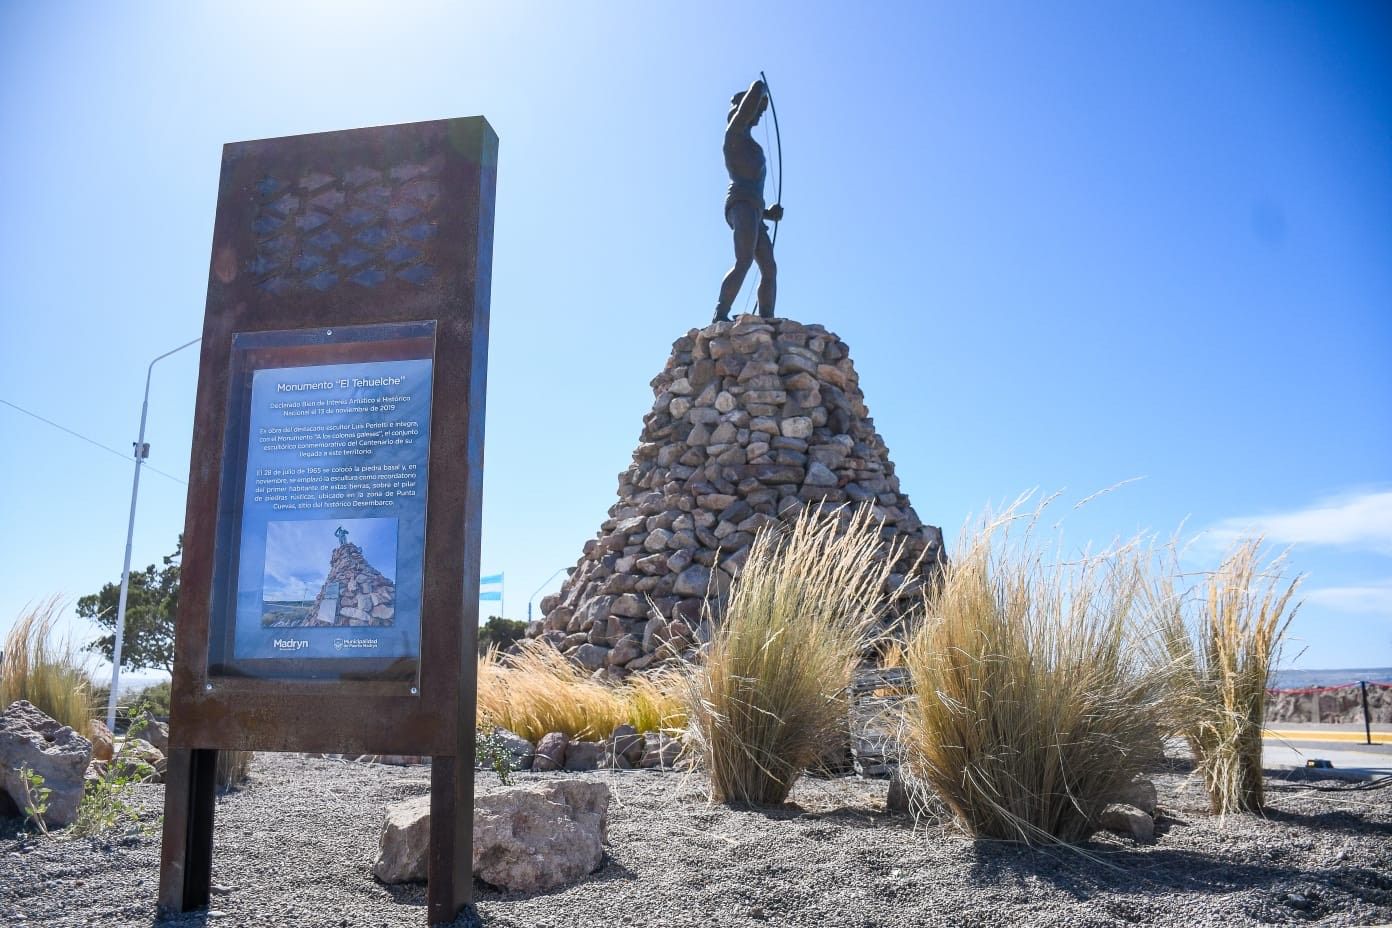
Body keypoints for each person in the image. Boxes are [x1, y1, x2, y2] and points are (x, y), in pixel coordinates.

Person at [713, 78, 783, 323]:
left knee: (769, 269)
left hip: (754, 208)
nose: (758, 115)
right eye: (757, 110)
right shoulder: (734, 134)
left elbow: (754, 189)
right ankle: (720, 313)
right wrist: (760, 88)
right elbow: (751, 98)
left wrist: (768, 213)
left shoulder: (748, 142)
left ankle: (767, 319)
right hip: (741, 205)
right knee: (743, 260)